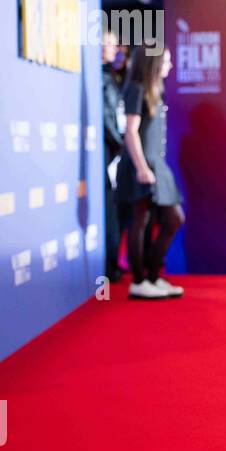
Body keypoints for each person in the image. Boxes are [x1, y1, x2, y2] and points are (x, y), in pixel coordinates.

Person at [116, 45, 186, 300]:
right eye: (166, 60)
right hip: (141, 165)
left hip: (156, 163)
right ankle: (139, 281)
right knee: (140, 221)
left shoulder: (156, 90)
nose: (170, 65)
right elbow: (131, 131)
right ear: (153, 63)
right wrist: (142, 168)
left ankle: (153, 277)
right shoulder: (136, 88)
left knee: (173, 218)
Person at [102, 29, 127, 283]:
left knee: (115, 210)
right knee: (109, 210)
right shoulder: (103, 79)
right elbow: (107, 118)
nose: (115, 48)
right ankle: (109, 266)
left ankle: (112, 262)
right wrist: (121, 144)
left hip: (113, 152)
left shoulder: (112, 77)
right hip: (107, 154)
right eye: (109, 44)